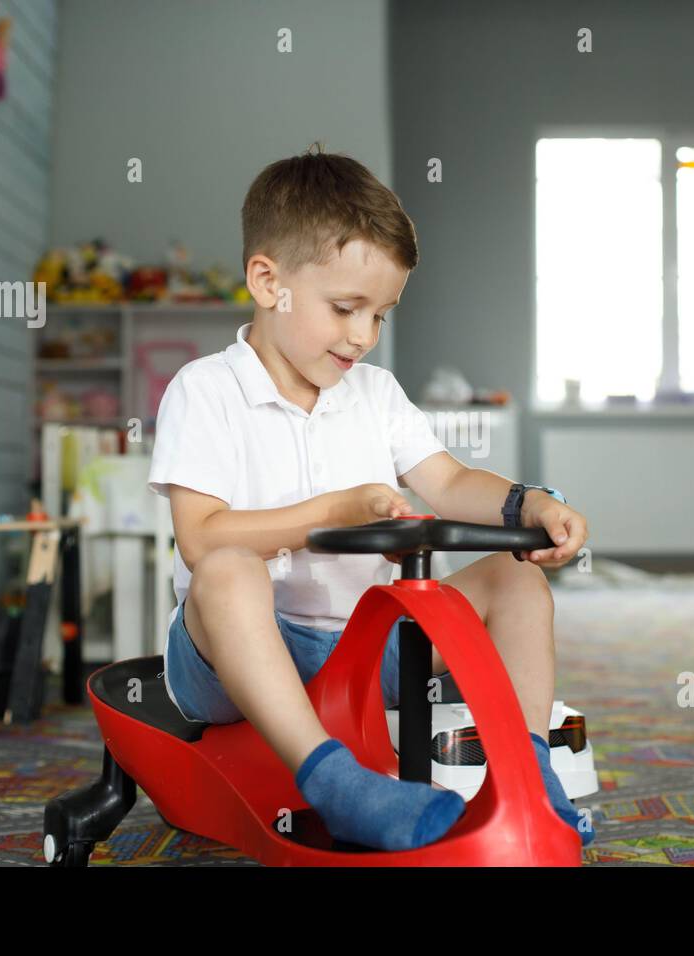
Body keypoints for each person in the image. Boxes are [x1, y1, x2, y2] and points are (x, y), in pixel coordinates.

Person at [148, 143, 591, 853]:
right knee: (227, 568)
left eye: (380, 315)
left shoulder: (375, 393)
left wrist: (527, 505)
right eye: (346, 308)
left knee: (516, 577)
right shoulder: (205, 391)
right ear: (268, 281)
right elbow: (201, 537)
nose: (363, 337)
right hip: (234, 657)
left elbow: (446, 481)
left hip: (366, 649)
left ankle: (529, 778)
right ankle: (337, 785)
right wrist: (329, 512)